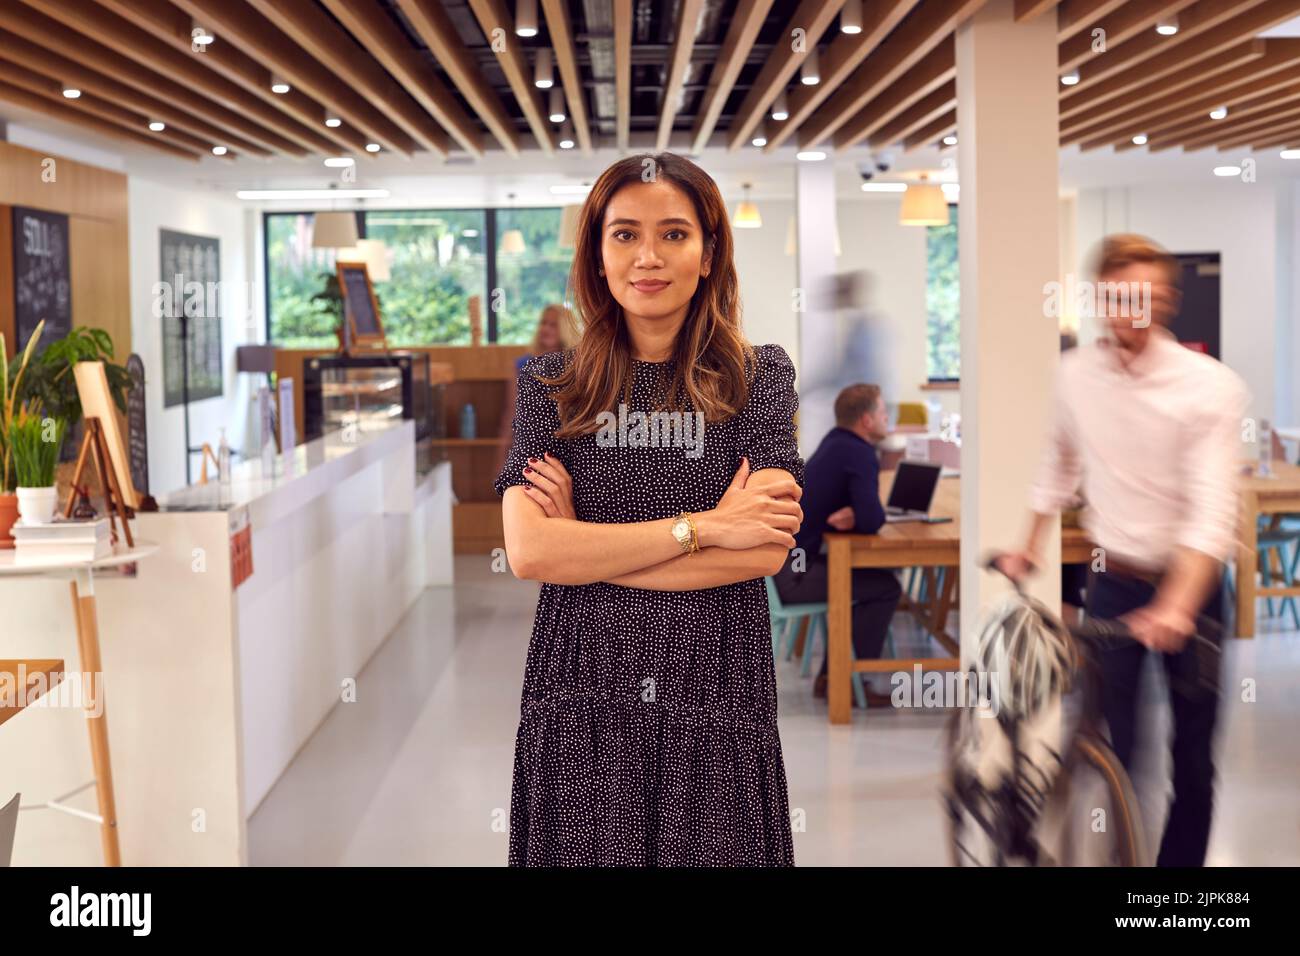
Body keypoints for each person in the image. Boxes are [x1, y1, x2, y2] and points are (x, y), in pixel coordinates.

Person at [493, 151, 805, 866]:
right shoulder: (552, 385)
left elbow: (763, 551)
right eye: (625, 234)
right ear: (598, 257)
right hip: (583, 686)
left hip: (716, 686)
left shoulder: (760, 379)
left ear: (708, 251)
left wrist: (589, 552)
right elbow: (532, 553)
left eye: (674, 233)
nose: (648, 257)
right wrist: (705, 529)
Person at [998, 233, 1250, 867]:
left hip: (1192, 589)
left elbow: (1211, 512)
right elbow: (1057, 465)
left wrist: (1177, 606)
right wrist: (1027, 549)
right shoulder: (1076, 374)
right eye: (1114, 295)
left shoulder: (1209, 387)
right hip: (1114, 579)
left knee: (1192, 759)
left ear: (1165, 300)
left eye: (1142, 295)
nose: (1127, 308)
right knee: (1115, 747)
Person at [773, 383, 902, 705]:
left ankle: (833, 678)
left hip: (786, 564)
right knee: (885, 587)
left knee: (874, 581)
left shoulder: (835, 443)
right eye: (884, 413)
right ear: (867, 421)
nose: (889, 419)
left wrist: (855, 512)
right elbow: (873, 521)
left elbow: (862, 514)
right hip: (794, 575)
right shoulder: (859, 453)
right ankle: (849, 684)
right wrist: (861, 513)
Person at [498, 304, 580, 469]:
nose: (546, 329)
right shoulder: (522, 365)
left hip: (571, 445)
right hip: (532, 446)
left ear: (565, 328)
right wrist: (502, 456)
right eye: (543, 323)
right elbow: (512, 412)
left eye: (553, 324)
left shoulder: (578, 365)